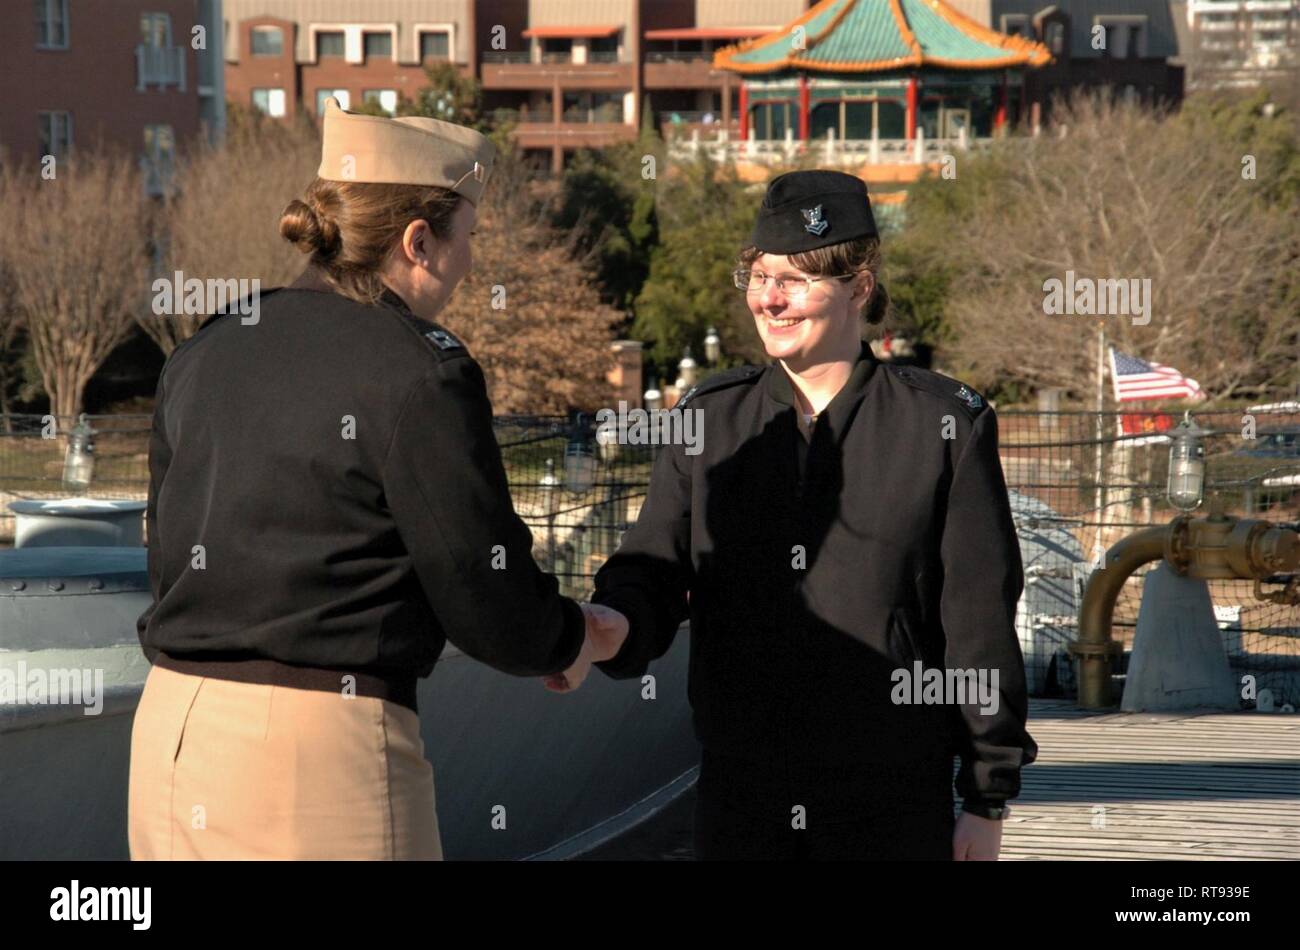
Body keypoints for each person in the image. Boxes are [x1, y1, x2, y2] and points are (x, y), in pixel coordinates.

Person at [128, 97, 616, 860]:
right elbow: (478, 580)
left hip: (167, 732)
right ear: (418, 241)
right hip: (315, 753)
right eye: (468, 239)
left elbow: (169, 554)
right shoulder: (420, 370)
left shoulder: (206, 348)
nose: (471, 264)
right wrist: (565, 640)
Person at [550, 170, 1038, 861]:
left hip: (892, 800)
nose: (769, 299)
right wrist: (605, 629)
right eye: (758, 275)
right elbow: (651, 567)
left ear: (860, 287)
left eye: (796, 280)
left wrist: (988, 795)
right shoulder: (708, 420)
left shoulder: (944, 424)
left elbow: (977, 621)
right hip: (740, 796)